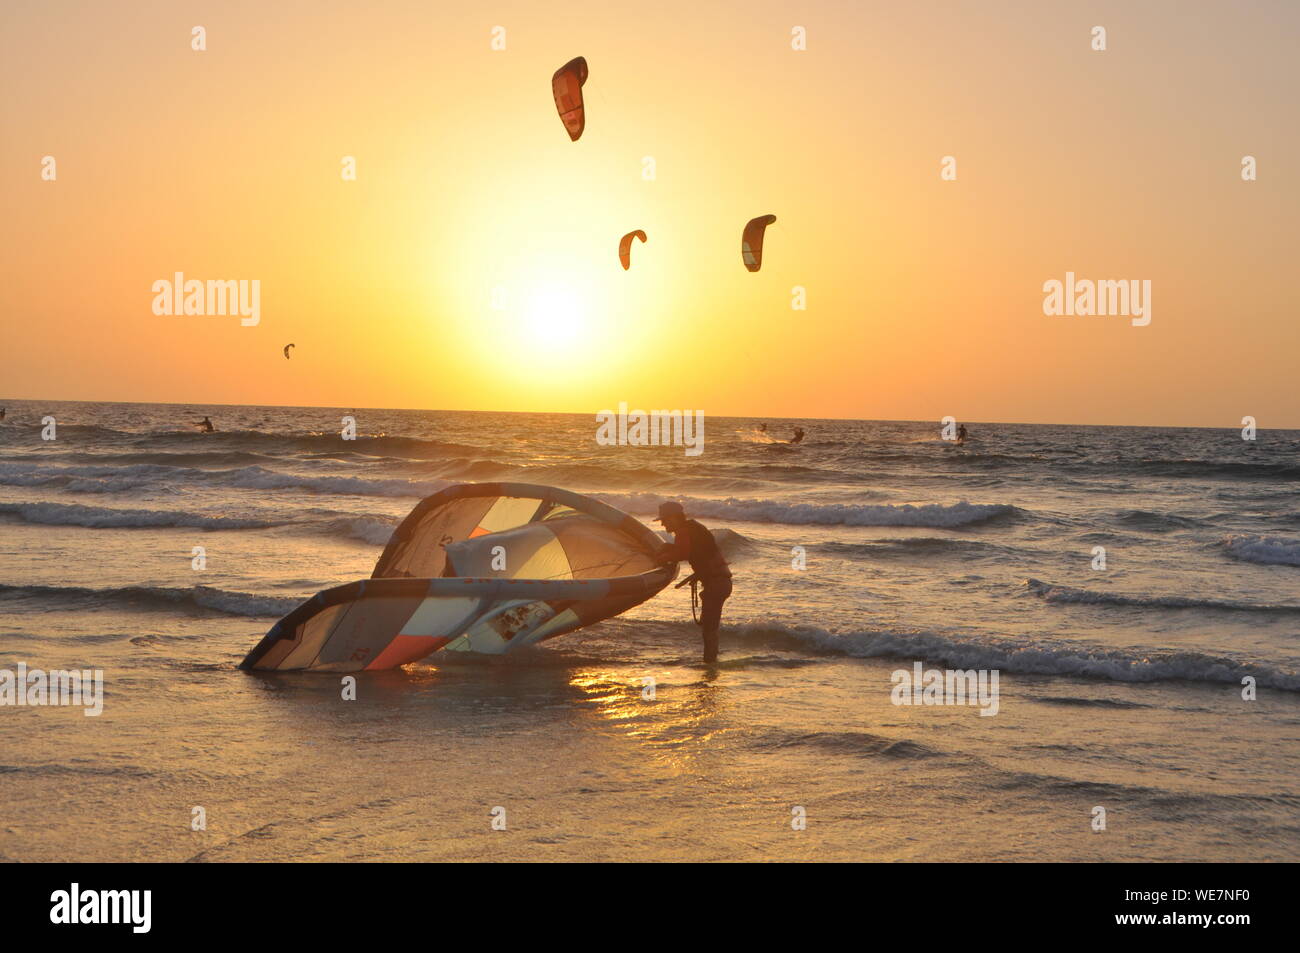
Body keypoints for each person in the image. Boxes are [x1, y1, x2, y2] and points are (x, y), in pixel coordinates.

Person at [656, 501, 732, 663]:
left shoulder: (683, 531)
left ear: (674, 518)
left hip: (716, 584)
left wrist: (660, 559)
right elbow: (699, 553)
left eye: (664, 520)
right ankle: (711, 661)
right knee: (709, 627)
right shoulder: (695, 528)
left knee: (709, 629)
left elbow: (682, 554)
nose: (663, 524)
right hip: (721, 582)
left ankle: (710, 665)